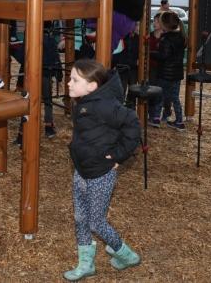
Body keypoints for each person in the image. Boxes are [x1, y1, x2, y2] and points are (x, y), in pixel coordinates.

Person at [63, 59, 141, 280]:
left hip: (100, 174)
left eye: (75, 80)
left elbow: (133, 124)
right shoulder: (85, 102)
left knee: (96, 221)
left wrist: (118, 155)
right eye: (70, 78)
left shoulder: (105, 105)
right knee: (80, 218)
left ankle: (126, 254)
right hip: (82, 170)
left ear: (92, 86)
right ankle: (85, 264)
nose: (69, 83)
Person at [150, 11, 187, 130]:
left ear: (164, 25)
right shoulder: (181, 36)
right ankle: (180, 121)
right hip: (176, 74)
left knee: (159, 95)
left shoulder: (165, 39)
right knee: (175, 98)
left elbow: (163, 55)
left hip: (165, 73)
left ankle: (156, 118)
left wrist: (150, 53)